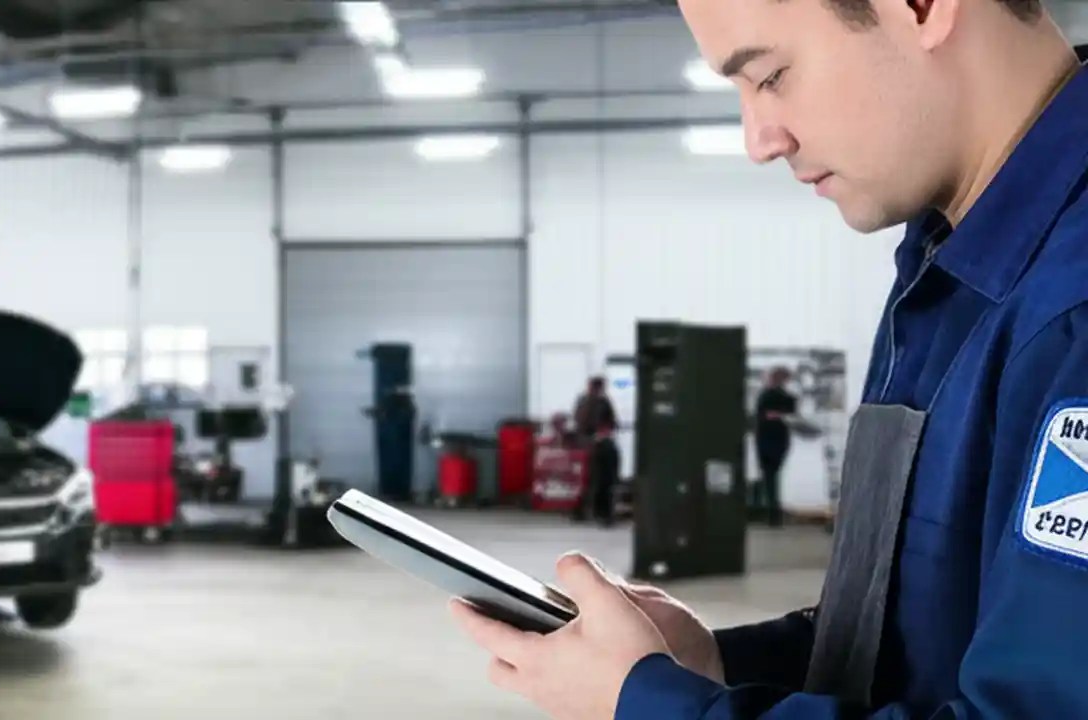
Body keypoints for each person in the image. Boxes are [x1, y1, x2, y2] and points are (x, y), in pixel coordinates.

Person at [449, 0, 1088, 717]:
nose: (759, 139)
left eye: (772, 75)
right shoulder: (943, 268)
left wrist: (660, 707)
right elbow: (922, 637)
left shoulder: (1071, 307)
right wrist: (711, 665)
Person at [753, 367, 799, 527]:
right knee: (770, 477)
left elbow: (762, 415)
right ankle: (771, 513)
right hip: (775, 439)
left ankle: (771, 514)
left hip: (769, 439)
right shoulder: (784, 397)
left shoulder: (768, 396)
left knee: (769, 476)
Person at [572, 377, 621, 525]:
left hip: (586, 446)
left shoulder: (584, 401)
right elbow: (611, 423)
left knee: (588, 481)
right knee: (601, 481)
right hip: (597, 446)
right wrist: (601, 434)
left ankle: (583, 512)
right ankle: (601, 513)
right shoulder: (601, 402)